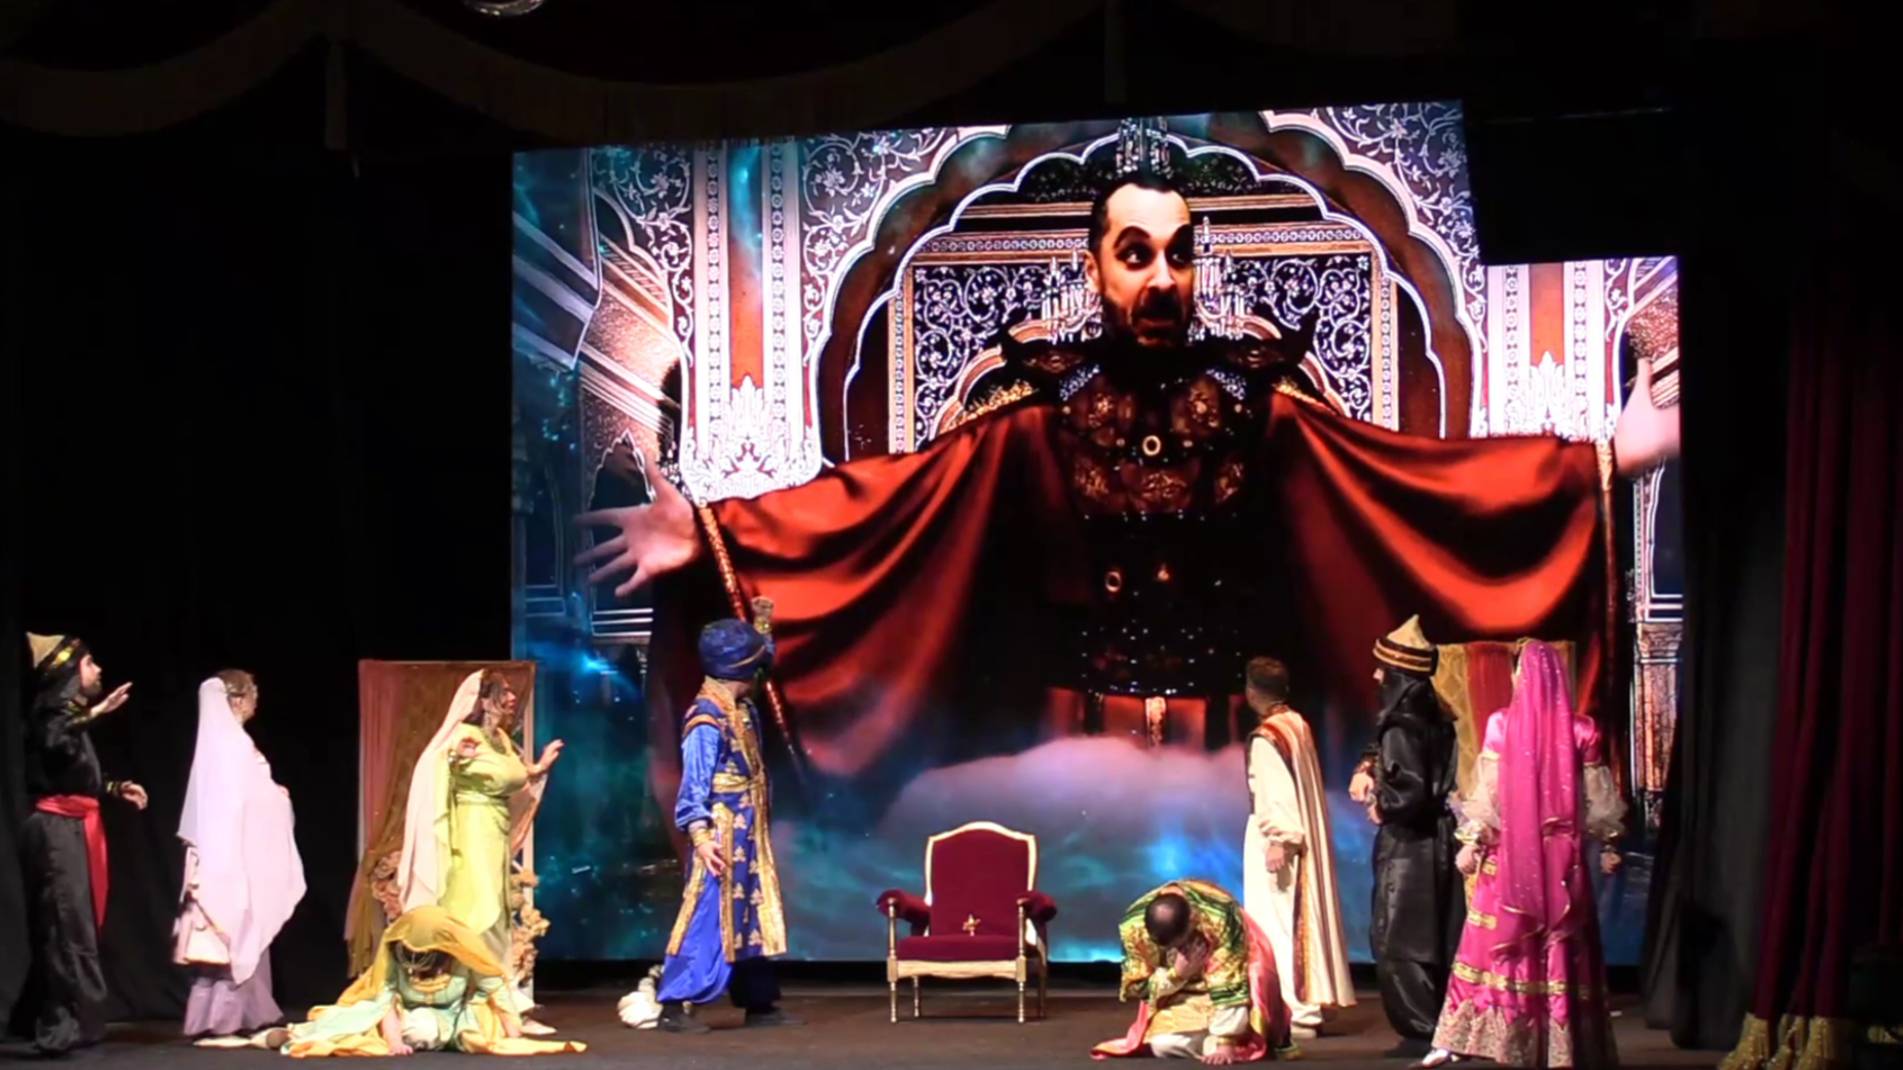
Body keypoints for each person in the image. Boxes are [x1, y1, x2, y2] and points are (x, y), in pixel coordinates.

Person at [577, 149, 1676, 820]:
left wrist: (1603, 459)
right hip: (1064, 759)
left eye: (1179, 253)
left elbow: (1409, 484)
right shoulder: (1035, 422)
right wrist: (713, 530)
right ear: (1094, 266)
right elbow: (881, 506)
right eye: (1136, 253)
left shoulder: (1260, 413)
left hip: (1239, 759)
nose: (1161, 278)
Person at [1421, 641, 1626, 1068]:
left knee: (1501, 942)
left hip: (1513, 856)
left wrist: (1474, 841)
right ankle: (1559, 1047)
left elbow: (1490, 795)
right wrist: (1608, 842)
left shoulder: (1503, 724)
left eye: (1517, 671)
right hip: (1561, 861)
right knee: (1557, 940)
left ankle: (1506, 1040)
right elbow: (1595, 802)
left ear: (1523, 677)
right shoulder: (1582, 729)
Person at [654, 601, 799, 1033]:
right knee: (707, 912)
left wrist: (762, 627)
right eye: (753, 664)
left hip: (747, 829)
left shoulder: (740, 705)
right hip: (720, 834)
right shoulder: (706, 719)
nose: (759, 672)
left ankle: (759, 1002)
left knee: (750, 912)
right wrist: (700, 838)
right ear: (740, 670)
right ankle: (674, 1003)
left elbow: (765, 667)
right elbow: (693, 787)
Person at [397, 669, 562, 1018]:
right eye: (504, 692)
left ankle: (496, 999)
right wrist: (455, 758)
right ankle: (469, 996)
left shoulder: (500, 738)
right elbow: (437, 764)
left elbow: (512, 774)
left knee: (497, 911)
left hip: (493, 829)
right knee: (478, 906)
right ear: (484, 700)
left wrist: (538, 767)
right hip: (471, 830)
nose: (512, 698)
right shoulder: (464, 735)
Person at [16, 632, 144, 1054]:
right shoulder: (49, 713)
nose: (99, 669)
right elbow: (52, 742)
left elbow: (74, 773)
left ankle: (71, 1018)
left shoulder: (69, 716)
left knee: (75, 924)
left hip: (74, 826)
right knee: (64, 927)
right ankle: (62, 1024)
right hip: (56, 829)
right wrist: (97, 713)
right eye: (90, 663)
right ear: (69, 672)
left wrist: (114, 787)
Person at [1348, 616, 1465, 1057]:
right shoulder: (1435, 714)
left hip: (1411, 845)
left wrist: (1382, 802)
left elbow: (1410, 789)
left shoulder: (1402, 724)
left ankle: (1422, 1029)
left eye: (1383, 669)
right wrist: (1368, 766)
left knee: (1401, 938)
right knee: (1433, 934)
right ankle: (1439, 1028)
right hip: (1436, 839)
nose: (1376, 676)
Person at [256, 905, 583, 1057]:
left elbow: (494, 987)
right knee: (360, 1015)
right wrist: (394, 1041)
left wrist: (514, 1032)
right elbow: (385, 1001)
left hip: (457, 1016)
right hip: (404, 1015)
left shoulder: (463, 954)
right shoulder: (396, 955)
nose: (416, 962)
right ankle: (295, 1034)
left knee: (455, 1027)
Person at [174, 671, 306, 1040]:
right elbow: (247, 802)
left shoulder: (216, 746)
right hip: (229, 855)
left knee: (226, 934)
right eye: (251, 694)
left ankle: (227, 1016)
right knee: (231, 930)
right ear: (236, 700)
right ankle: (223, 1020)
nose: (255, 702)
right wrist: (278, 798)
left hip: (218, 853)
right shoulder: (233, 746)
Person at [1239, 657, 1354, 1039]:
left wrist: (1280, 839)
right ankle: (1311, 1002)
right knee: (1296, 917)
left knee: (1280, 921)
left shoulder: (1267, 737)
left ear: (1251, 691)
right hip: (1296, 836)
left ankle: (1297, 1009)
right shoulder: (1296, 723)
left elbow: (1277, 792)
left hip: (1280, 841)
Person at [1092, 879, 1290, 1063]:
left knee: (1257, 972)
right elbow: (1138, 986)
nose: (1180, 950)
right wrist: (1177, 974)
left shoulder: (1219, 915)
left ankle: (1232, 1037)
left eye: (1181, 943)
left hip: (1229, 985)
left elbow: (1230, 979)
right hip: (1179, 995)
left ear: (1193, 920)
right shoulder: (1133, 928)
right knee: (1162, 1045)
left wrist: (1226, 1043)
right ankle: (1209, 1042)